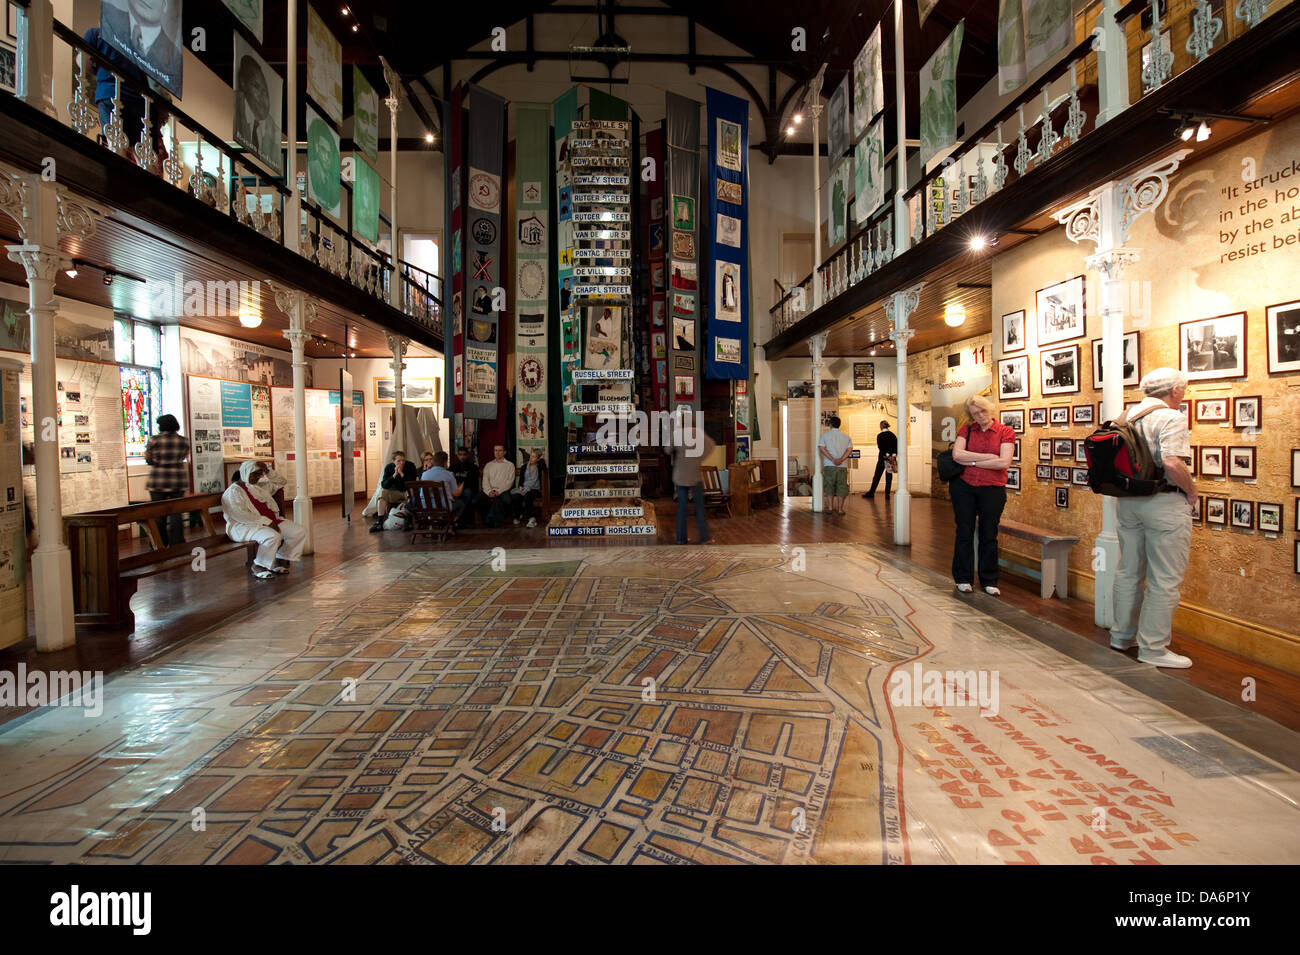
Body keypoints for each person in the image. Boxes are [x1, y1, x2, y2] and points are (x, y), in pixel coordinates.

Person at [1109, 368, 1196, 669]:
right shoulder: (1171, 418)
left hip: (1129, 502)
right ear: (1175, 390)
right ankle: (1153, 647)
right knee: (1165, 578)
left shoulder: (1126, 416)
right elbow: (1172, 463)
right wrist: (1192, 491)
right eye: (1183, 389)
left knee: (1128, 570)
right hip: (1164, 502)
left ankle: (1121, 635)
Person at [950, 395, 1015, 596]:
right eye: (975, 414)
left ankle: (989, 580)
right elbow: (957, 455)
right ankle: (963, 578)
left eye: (983, 411)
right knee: (964, 532)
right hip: (964, 487)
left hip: (993, 488)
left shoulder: (1006, 432)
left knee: (989, 534)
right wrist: (986, 458)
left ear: (990, 410)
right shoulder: (966, 430)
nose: (980, 416)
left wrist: (971, 460)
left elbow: (1004, 462)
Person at [221, 461, 307, 580]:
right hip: (243, 526)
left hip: (270, 522)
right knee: (273, 536)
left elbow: (281, 481)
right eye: (255, 474)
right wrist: (266, 522)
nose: (257, 478)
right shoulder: (233, 492)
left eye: (259, 475)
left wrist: (268, 471)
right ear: (245, 472)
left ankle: (277, 559)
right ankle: (259, 566)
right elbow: (240, 515)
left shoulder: (257, 488)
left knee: (299, 531)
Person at [142, 413, 190, 547]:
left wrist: (154, 459)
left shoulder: (154, 440)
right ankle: (177, 542)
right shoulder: (184, 441)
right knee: (176, 513)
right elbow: (184, 456)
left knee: (158, 513)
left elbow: (149, 459)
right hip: (177, 479)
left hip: (158, 480)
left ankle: (159, 542)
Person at [670, 413, 715, 544]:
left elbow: (667, 449)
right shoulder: (698, 433)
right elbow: (711, 445)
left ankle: (681, 538)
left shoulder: (677, 434)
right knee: (699, 507)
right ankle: (704, 537)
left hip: (680, 475)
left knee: (682, 508)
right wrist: (700, 457)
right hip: (695, 475)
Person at [234, 52, 278, 164]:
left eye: (265, 91)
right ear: (243, 83)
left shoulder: (273, 130)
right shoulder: (235, 112)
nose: (262, 97)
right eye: (256, 87)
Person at [371, 450, 417, 532]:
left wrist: (401, 473)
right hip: (394, 491)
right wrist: (394, 475)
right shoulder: (389, 467)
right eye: (398, 461)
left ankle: (408, 521)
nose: (401, 463)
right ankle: (380, 521)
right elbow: (384, 484)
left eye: (403, 460)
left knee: (411, 491)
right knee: (383, 492)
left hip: (406, 490)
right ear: (393, 461)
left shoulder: (410, 466)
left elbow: (411, 482)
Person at [817, 415, 853, 516]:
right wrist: (841, 459)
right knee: (842, 487)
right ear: (839, 424)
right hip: (842, 466)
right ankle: (840, 509)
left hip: (829, 465)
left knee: (829, 486)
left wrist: (833, 459)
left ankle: (830, 508)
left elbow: (822, 448)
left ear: (830, 424)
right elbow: (849, 450)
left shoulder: (825, 436)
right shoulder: (846, 437)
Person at [477, 444, 516, 526]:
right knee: (476, 500)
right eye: (495, 450)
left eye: (500, 450)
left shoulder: (510, 465)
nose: (497, 453)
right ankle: (488, 519)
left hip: (503, 490)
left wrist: (499, 491)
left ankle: (491, 521)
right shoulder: (488, 465)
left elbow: (510, 482)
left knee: (505, 500)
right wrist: (489, 491)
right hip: (490, 490)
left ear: (504, 452)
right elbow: (485, 481)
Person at [420, 451, 466, 522]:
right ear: (445, 462)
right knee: (461, 504)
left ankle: (436, 522)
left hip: (426, 507)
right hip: (444, 507)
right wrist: (462, 485)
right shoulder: (449, 474)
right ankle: (450, 523)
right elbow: (456, 494)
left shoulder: (424, 474)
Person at [508, 451, 548, 527]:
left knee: (528, 495)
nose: (531, 458)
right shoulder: (524, 467)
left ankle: (531, 518)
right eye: (531, 456)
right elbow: (521, 481)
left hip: (535, 489)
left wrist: (542, 459)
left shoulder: (539, 466)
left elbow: (544, 467)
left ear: (538, 459)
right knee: (516, 496)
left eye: (534, 457)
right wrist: (520, 486)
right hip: (525, 487)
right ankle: (518, 515)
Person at [863, 420, 897, 499]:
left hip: (883, 458)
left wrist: (887, 455)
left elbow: (881, 448)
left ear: (881, 426)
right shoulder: (893, 435)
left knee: (877, 475)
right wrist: (893, 456)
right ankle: (887, 494)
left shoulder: (880, 436)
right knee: (889, 476)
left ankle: (871, 492)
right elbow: (896, 446)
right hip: (891, 459)